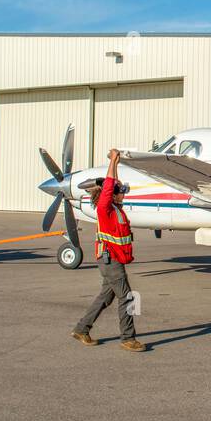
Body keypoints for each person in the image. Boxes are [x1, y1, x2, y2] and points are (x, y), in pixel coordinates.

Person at [72, 149, 145, 352]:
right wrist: (113, 161)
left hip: (114, 259)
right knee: (128, 297)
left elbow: (112, 186)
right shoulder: (105, 208)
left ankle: (81, 329)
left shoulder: (115, 208)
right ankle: (128, 338)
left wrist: (117, 164)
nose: (124, 193)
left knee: (106, 297)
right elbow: (109, 187)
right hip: (110, 259)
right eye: (121, 191)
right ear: (112, 194)